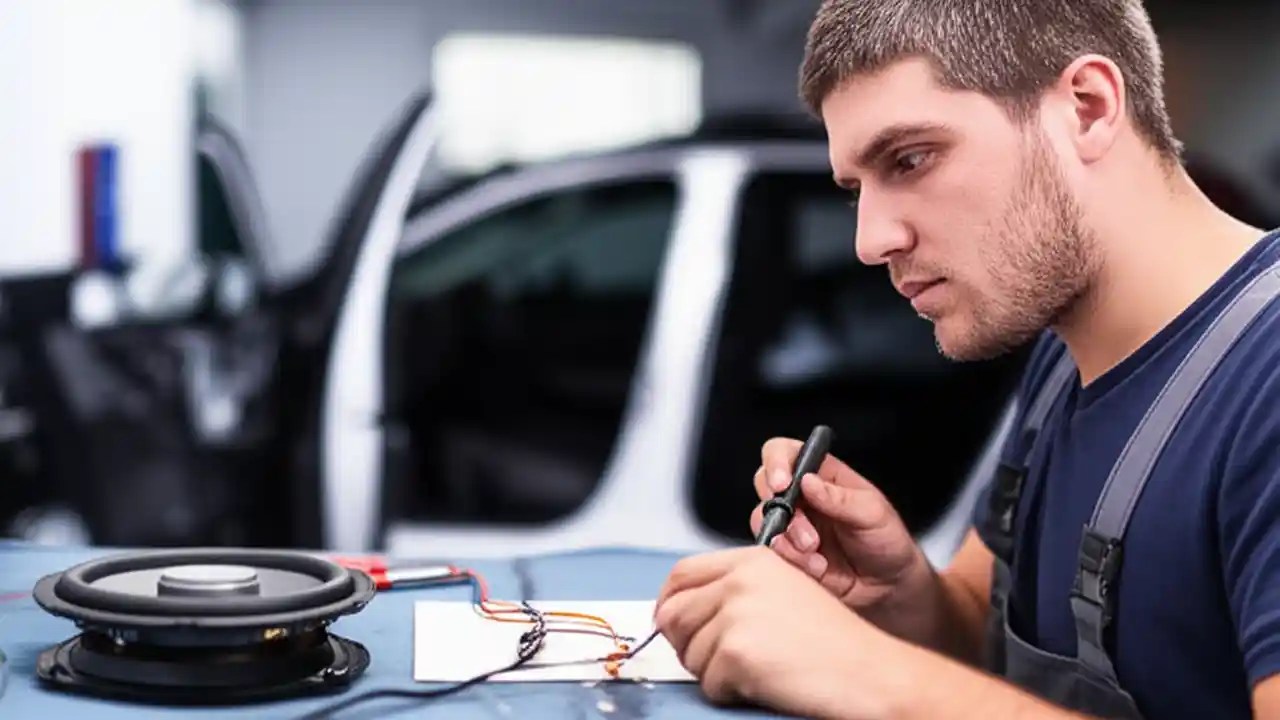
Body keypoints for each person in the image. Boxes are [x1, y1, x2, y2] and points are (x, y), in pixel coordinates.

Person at [652, 1, 1280, 718]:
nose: (870, 240)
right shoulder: (1061, 355)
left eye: (910, 159)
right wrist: (905, 598)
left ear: (1087, 108)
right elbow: (985, 643)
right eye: (856, 189)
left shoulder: (1265, 377)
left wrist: (869, 675)